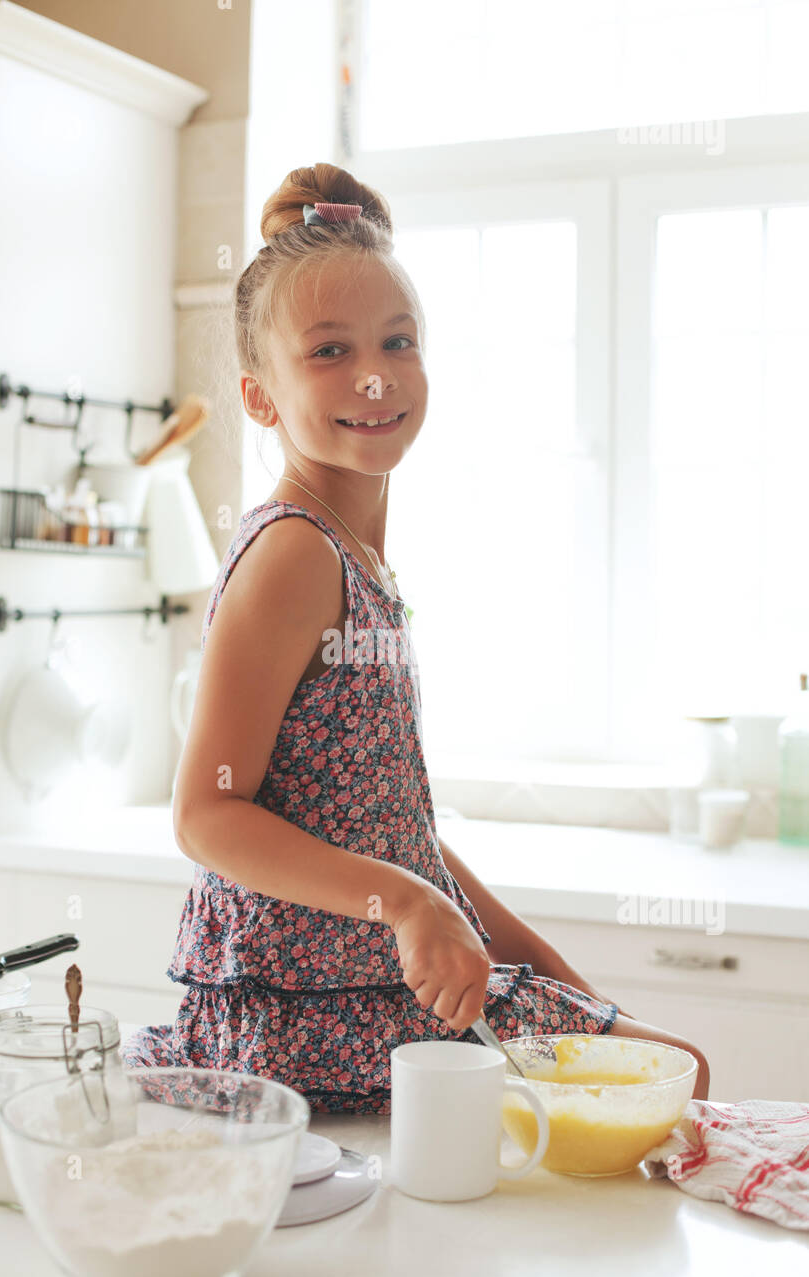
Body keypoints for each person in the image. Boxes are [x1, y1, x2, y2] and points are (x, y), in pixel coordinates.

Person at [121, 163, 710, 1110]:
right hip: (300, 1018)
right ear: (260, 397)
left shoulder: (359, 564)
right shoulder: (295, 554)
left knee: (657, 1069)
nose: (373, 373)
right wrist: (405, 902)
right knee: (674, 1080)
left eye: (399, 340)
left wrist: (548, 970)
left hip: (362, 994)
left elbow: (399, 833)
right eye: (327, 351)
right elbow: (205, 814)